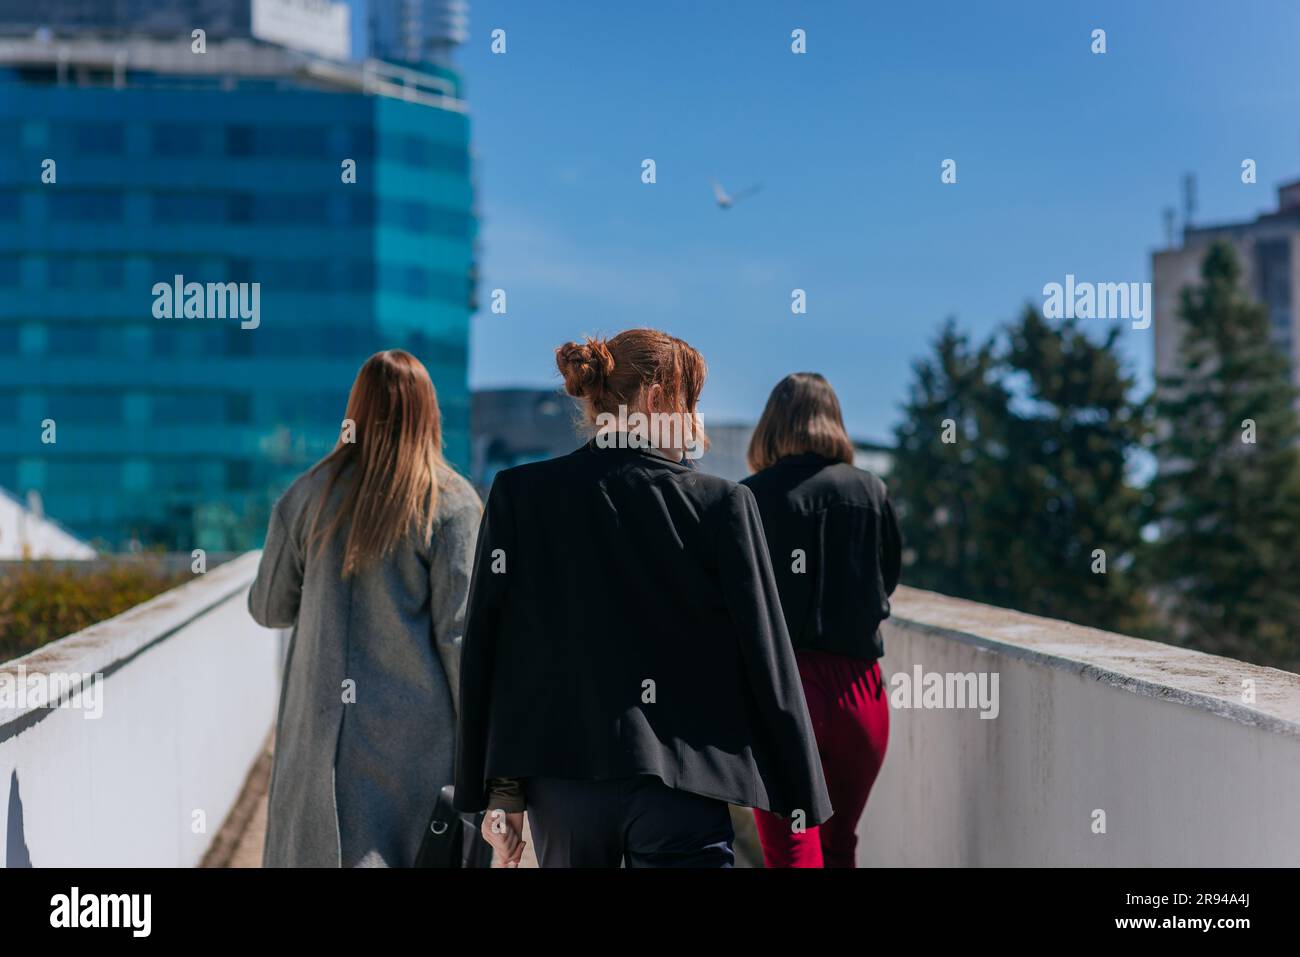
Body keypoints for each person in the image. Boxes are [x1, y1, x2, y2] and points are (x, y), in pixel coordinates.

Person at [454, 329, 831, 868]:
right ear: (657, 400)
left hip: (563, 785)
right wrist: (799, 792)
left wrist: (499, 792)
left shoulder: (521, 496)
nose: (697, 418)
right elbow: (767, 659)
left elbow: (491, 654)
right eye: (692, 401)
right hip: (684, 786)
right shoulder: (721, 505)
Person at [248, 349, 482, 867]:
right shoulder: (452, 503)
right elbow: (461, 640)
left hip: (317, 751)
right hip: (413, 752)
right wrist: (489, 765)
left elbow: (267, 607)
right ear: (429, 413)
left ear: (355, 410)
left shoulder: (308, 494)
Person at [740, 372, 901, 868]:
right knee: (838, 846)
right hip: (861, 693)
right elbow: (887, 578)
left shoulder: (749, 497)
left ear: (771, 425)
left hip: (784, 690)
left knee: (792, 852)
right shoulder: (871, 491)